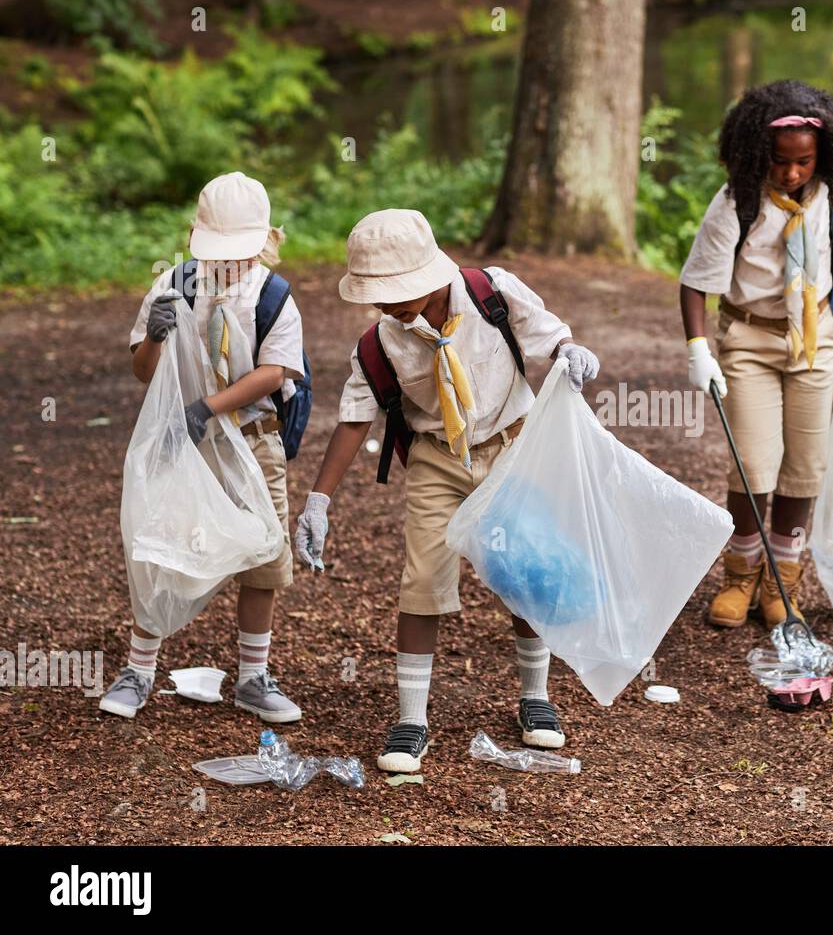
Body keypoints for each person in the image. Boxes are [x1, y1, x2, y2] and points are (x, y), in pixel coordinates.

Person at [293, 209, 600, 774]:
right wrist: (319, 499)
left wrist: (569, 354)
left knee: (525, 570)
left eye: (397, 292)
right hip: (437, 460)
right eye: (379, 297)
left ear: (431, 273)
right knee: (423, 580)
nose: (389, 306)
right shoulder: (379, 343)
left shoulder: (492, 294)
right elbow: (355, 419)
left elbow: (549, 337)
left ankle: (536, 699)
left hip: (512, 446)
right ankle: (412, 720)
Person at [101, 172, 305, 723]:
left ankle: (252, 676)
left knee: (262, 558)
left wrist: (209, 407)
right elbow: (143, 371)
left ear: (265, 241)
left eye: (240, 252)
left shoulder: (274, 298)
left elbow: (274, 372)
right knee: (165, 545)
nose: (229, 263)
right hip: (185, 446)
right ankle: (139, 670)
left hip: (252, 439)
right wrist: (154, 336)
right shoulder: (174, 284)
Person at [678, 79, 833, 630]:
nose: (792, 173)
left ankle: (782, 579)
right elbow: (696, 284)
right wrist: (700, 348)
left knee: (804, 468)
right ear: (757, 153)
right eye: (781, 162)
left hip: (815, 342)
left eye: (804, 162)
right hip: (749, 339)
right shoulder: (737, 203)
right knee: (752, 462)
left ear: (824, 155)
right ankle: (741, 574)